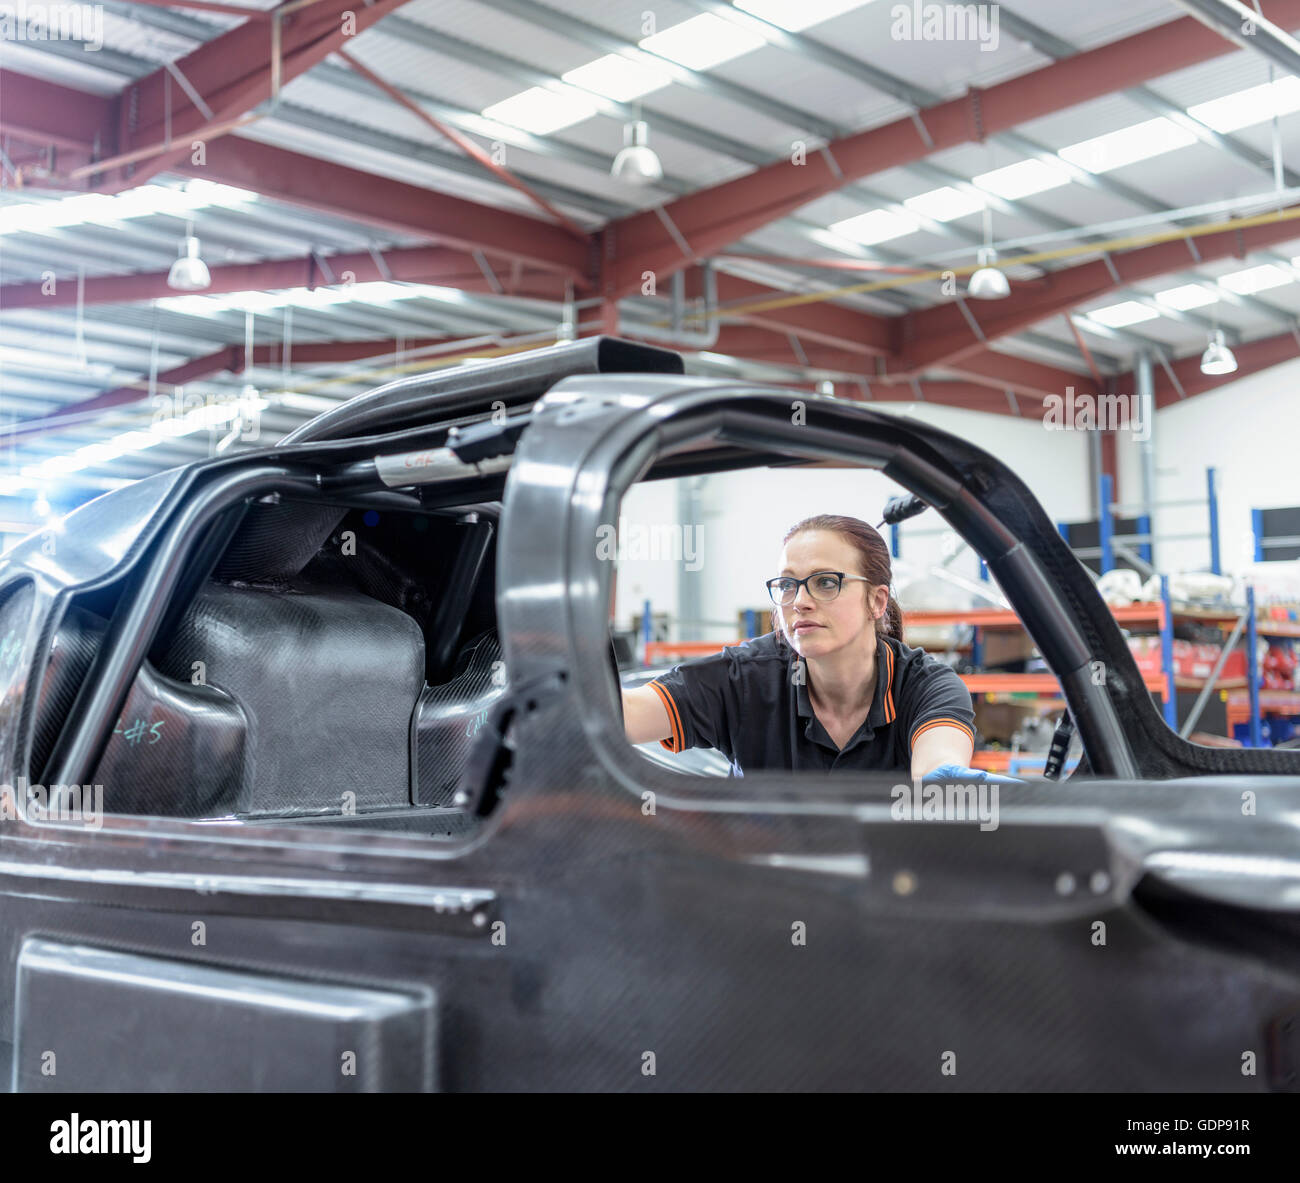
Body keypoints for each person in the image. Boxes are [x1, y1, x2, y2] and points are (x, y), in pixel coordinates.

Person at [622, 513, 978, 778]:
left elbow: (939, 774)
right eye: (788, 586)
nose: (800, 601)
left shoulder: (926, 687)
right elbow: (625, 715)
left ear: (877, 601)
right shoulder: (746, 679)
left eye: (825, 582)